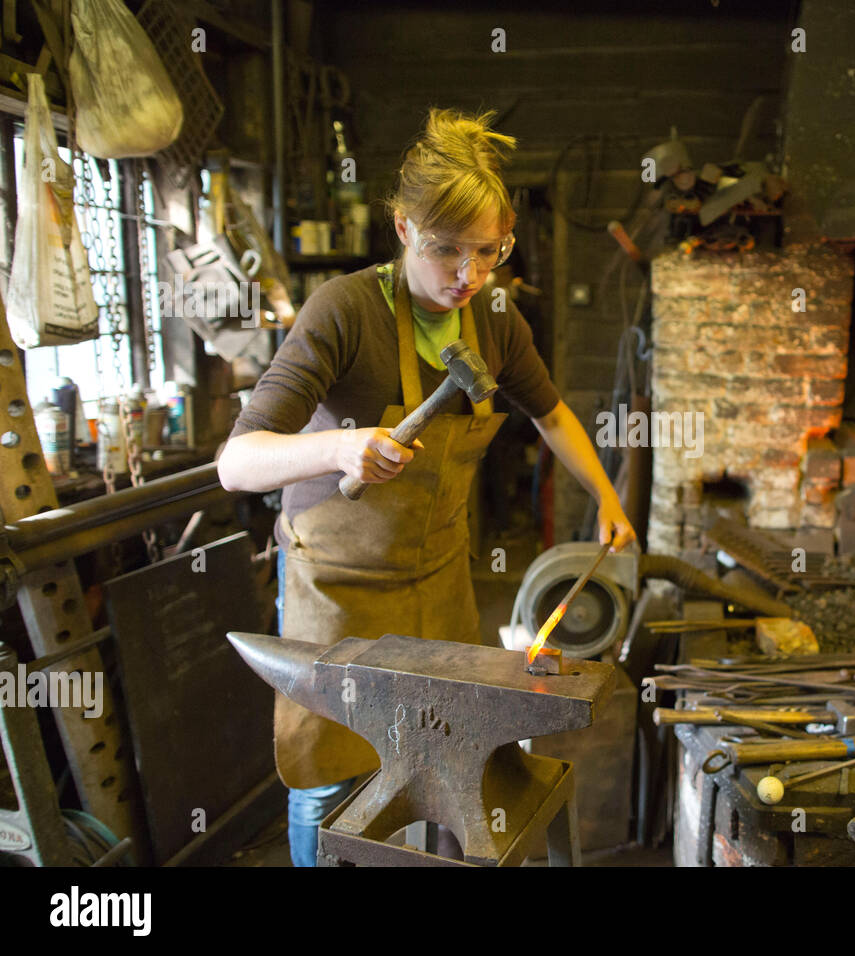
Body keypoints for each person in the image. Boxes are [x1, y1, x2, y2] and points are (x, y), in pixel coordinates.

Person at [217, 108, 635, 866]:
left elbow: (552, 415)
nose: (468, 275)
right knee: (327, 771)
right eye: (447, 250)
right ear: (405, 227)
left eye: (489, 251)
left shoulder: (494, 321)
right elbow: (235, 463)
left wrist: (606, 498)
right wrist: (339, 445)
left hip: (439, 578)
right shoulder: (343, 312)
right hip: (337, 591)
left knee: (451, 764)